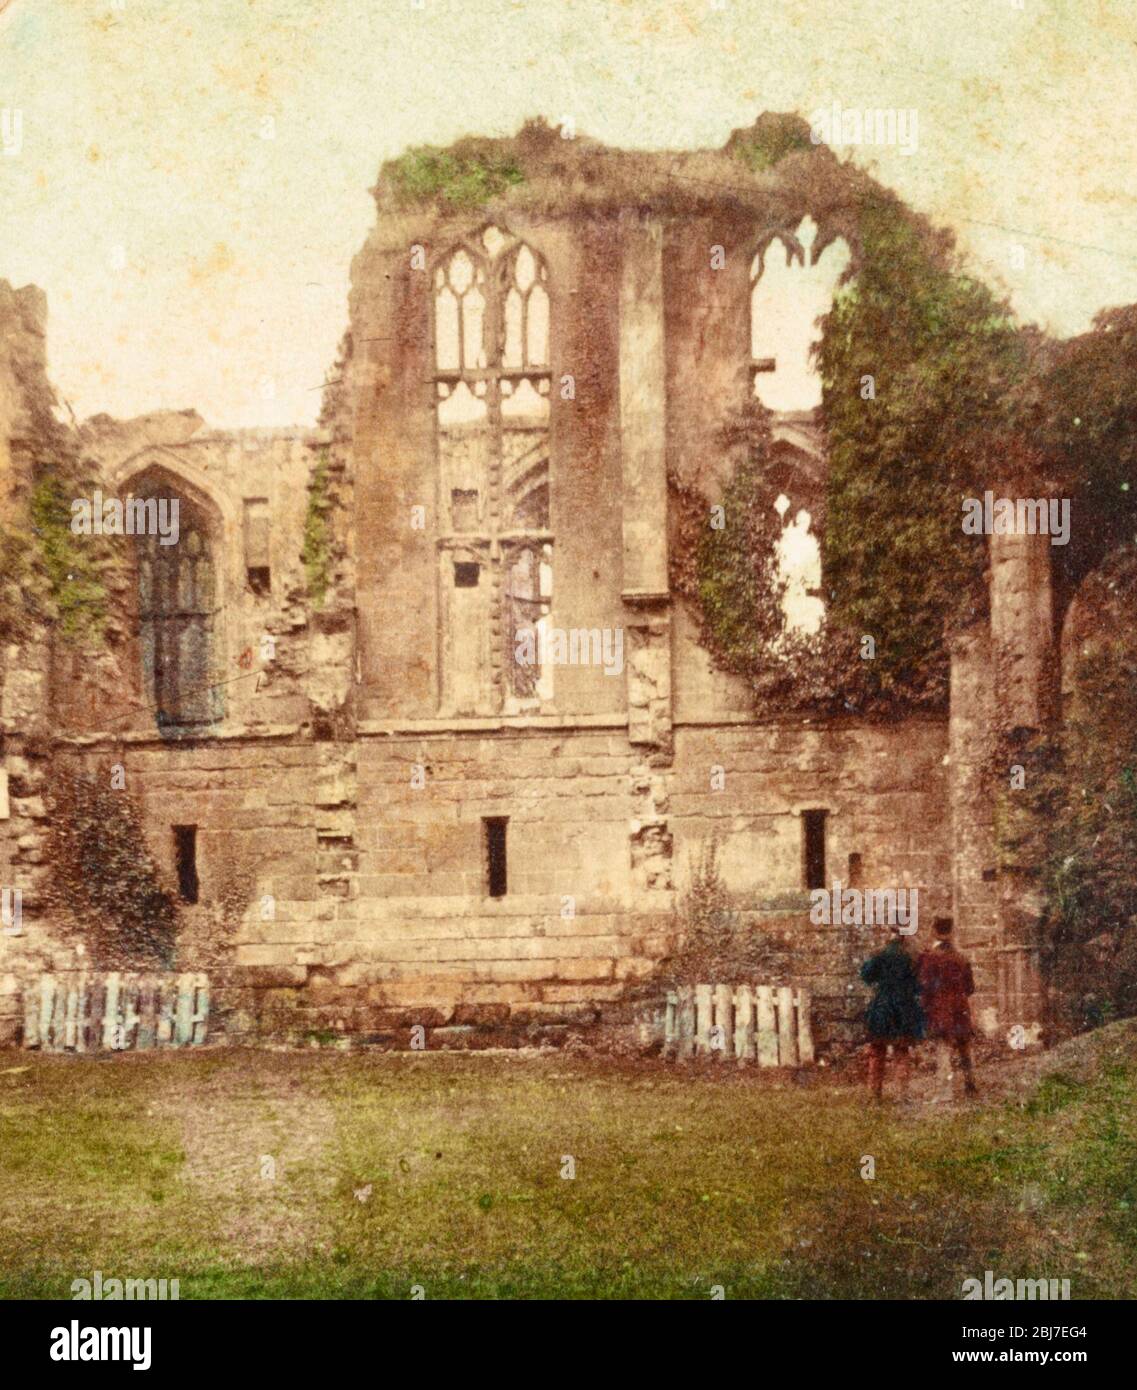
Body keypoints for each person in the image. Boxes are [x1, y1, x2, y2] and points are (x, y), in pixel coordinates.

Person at [860, 926, 924, 1099]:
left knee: (877, 1050)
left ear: (890, 933)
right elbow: (918, 986)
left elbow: (866, 976)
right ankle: (901, 1095)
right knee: (901, 1052)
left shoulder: (880, 954)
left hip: (882, 1006)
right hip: (903, 1008)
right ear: (903, 935)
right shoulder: (911, 956)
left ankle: (874, 1094)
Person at [917, 917, 978, 1099]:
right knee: (964, 1045)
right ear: (952, 932)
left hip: (941, 1008)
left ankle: (945, 1091)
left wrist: (927, 1005)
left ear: (934, 931)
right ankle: (971, 1085)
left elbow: (925, 986)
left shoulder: (930, 958)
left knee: (943, 1047)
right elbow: (970, 988)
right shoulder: (961, 958)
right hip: (960, 1006)